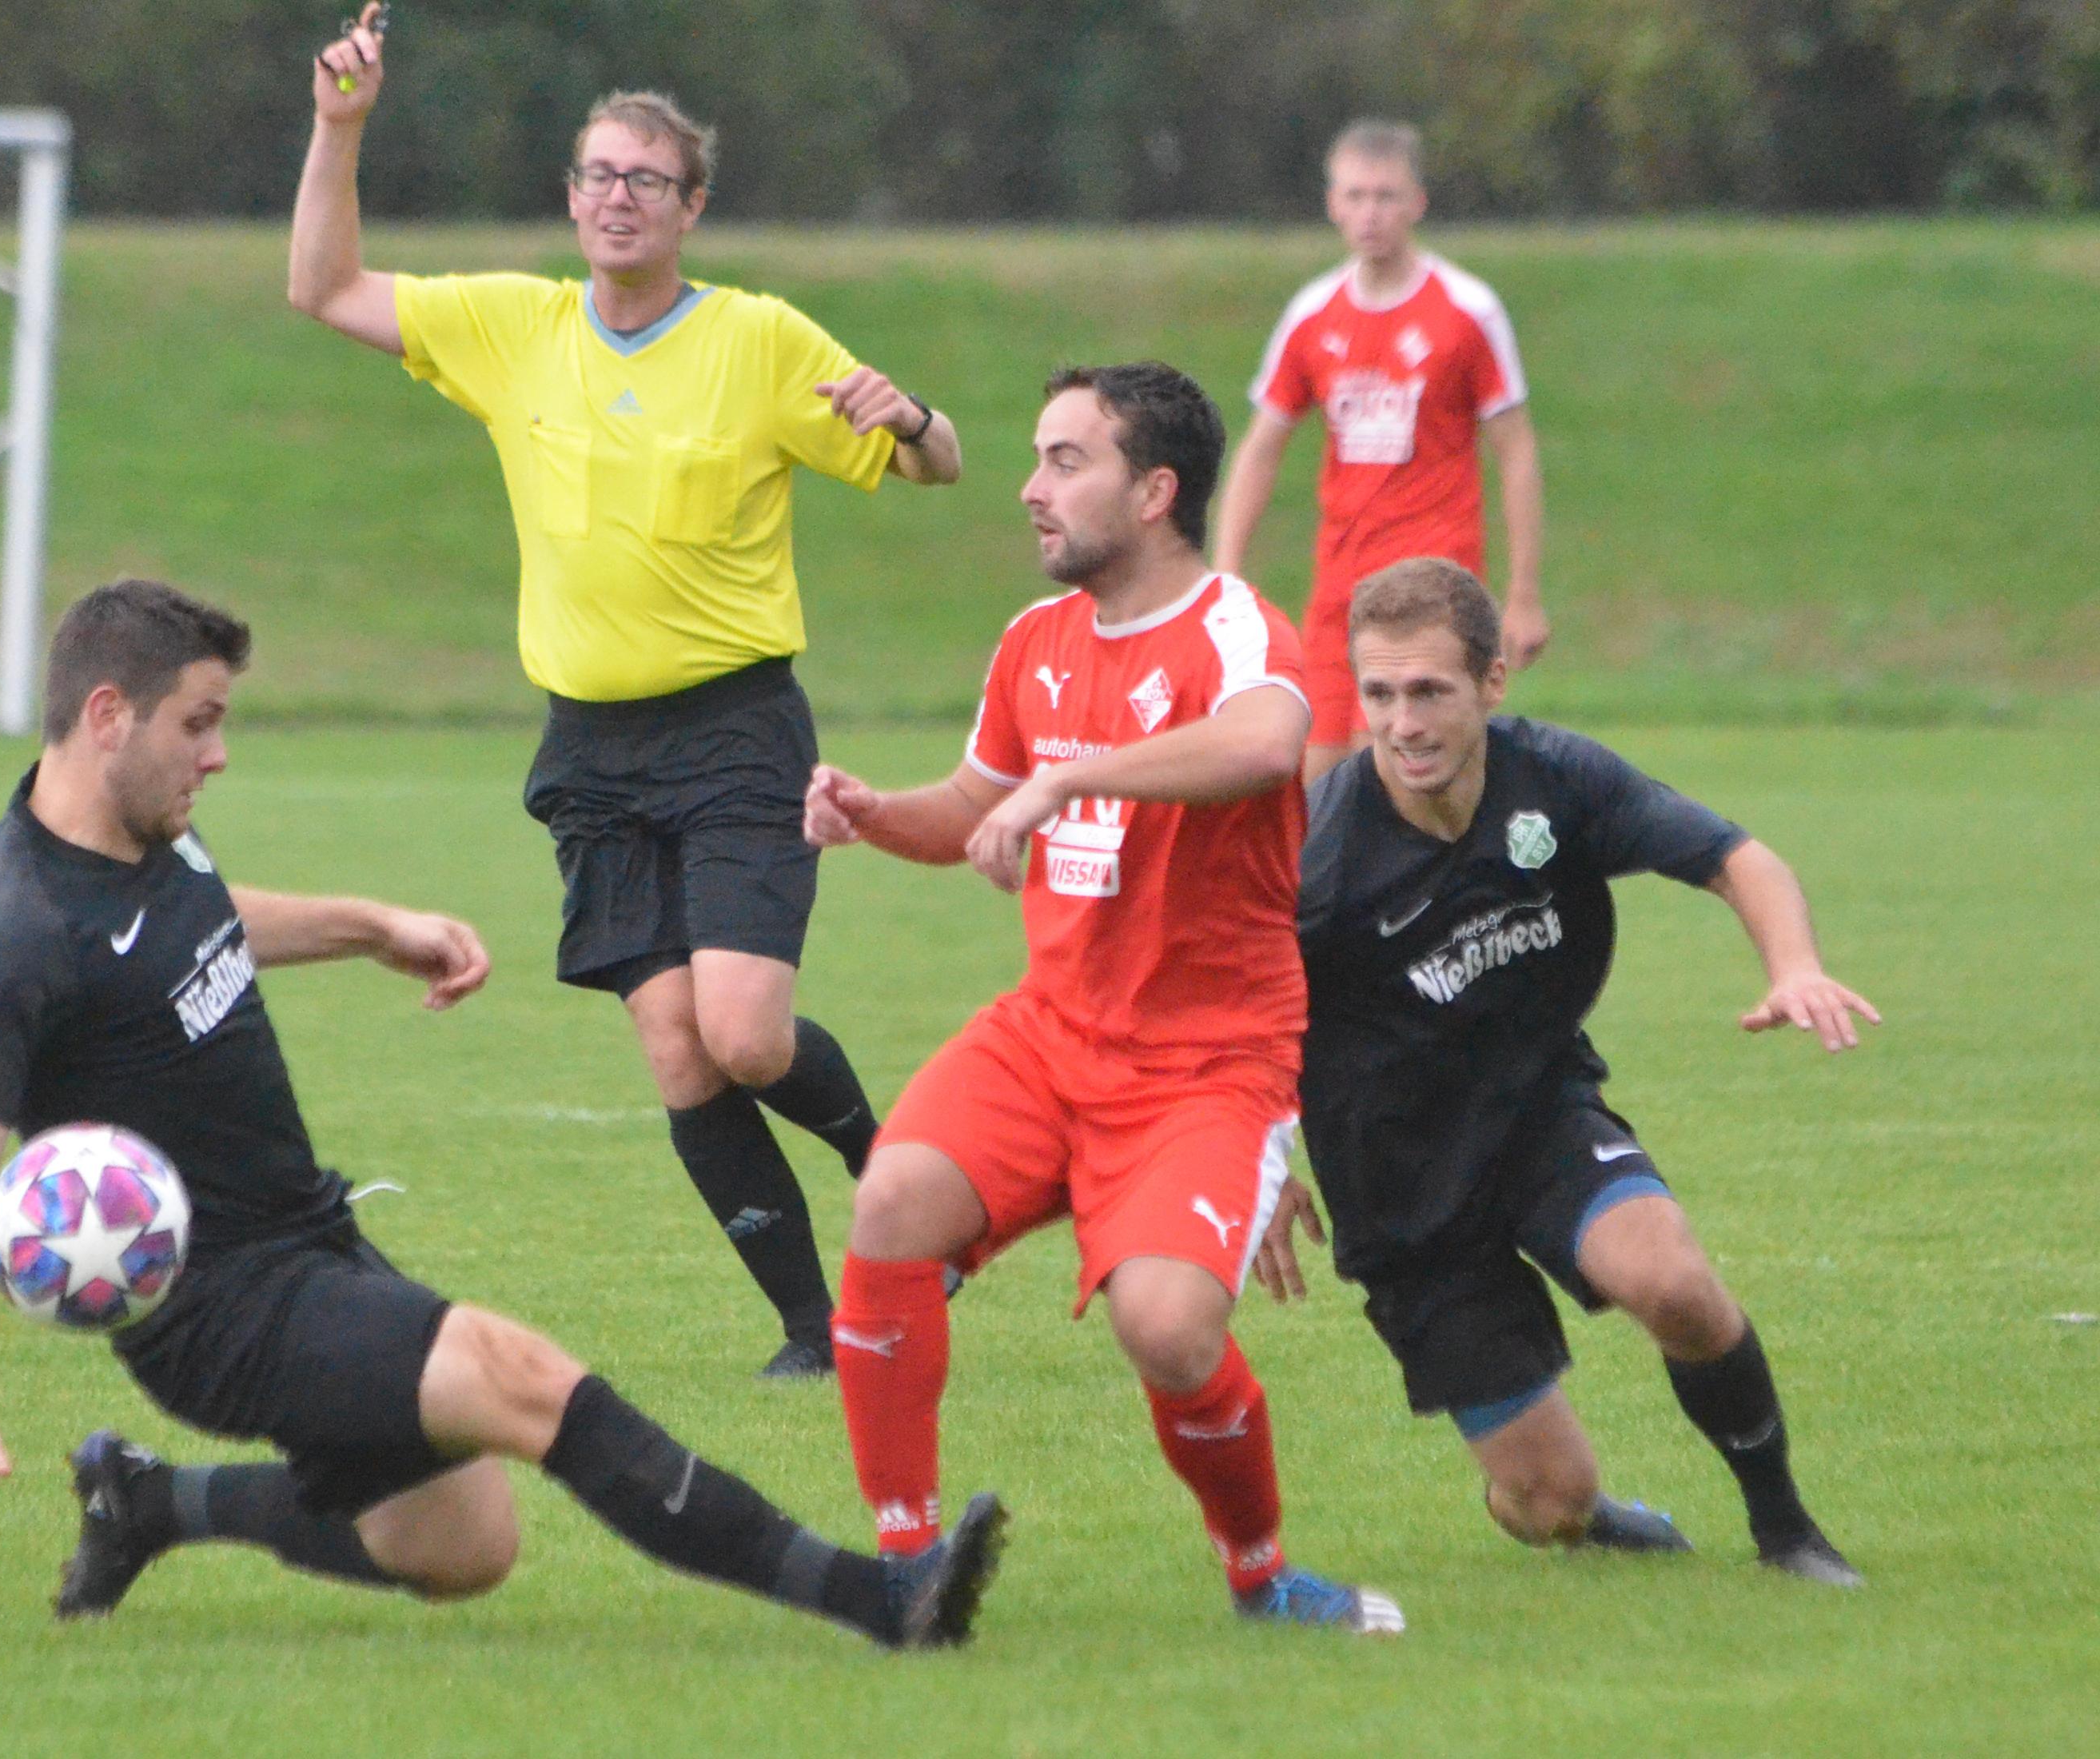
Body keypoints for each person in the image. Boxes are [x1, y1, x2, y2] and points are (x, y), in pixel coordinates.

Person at [0, 579, 1006, 1647]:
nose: (217, 755)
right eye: (197, 724)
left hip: (310, 1236)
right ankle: (883, 1599)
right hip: (215, 1304)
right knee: (523, 1379)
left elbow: (192, 920)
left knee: (462, 1546)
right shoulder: (11, 934)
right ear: (109, 714)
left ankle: (150, 1501)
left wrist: (367, 927)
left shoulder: (136, 834)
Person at [290, 20, 965, 1378]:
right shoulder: (513, 327)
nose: (614, 197)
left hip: (733, 731)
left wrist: (909, 420)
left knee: (742, 1032)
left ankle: (907, 1183)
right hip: (591, 750)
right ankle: (806, 1330)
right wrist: (341, 126)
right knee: (675, 1052)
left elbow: (938, 462)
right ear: (570, 196)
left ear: (688, 206)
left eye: (643, 179)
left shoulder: (759, 341)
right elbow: (324, 288)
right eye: (595, 174)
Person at [806, 364, 1403, 1634]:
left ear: (1156, 491)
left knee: (1170, 1329)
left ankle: (1262, 1578)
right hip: (1051, 1033)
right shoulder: (1035, 641)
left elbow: (1261, 744)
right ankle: (908, 1573)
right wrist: (874, 815)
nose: (1029, 488)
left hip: (1209, 1064)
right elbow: (973, 809)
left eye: (1066, 462)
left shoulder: (1234, 628)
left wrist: (1070, 784)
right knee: (894, 1201)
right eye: (1035, 457)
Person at [1257, 556, 1871, 1585]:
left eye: (1429, 691)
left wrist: (1794, 965)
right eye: (1376, 693)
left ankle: (1786, 1532)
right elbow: (1238, 1005)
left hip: (1536, 1112)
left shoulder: (1556, 779)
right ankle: (1585, 1511)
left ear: (1492, 683)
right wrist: (1256, 1153)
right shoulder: (1320, 861)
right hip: (1402, 1190)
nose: (1401, 723)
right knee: (1548, 1506)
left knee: (1671, 1282)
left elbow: (1737, 857)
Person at [1209, 119, 1548, 784]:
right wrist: (1226, 575)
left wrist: (1525, 593)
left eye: (1387, 196)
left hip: (1434, 580)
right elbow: (1261, 447)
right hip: (1341, 585)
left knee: (1397, 773)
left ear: (1417, 203)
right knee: (1316, 779)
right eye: (1356, 196)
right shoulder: (1313, 313)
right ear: (1333, 204)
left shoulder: (1467, 310)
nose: (1371, 213)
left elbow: (1516, 451)